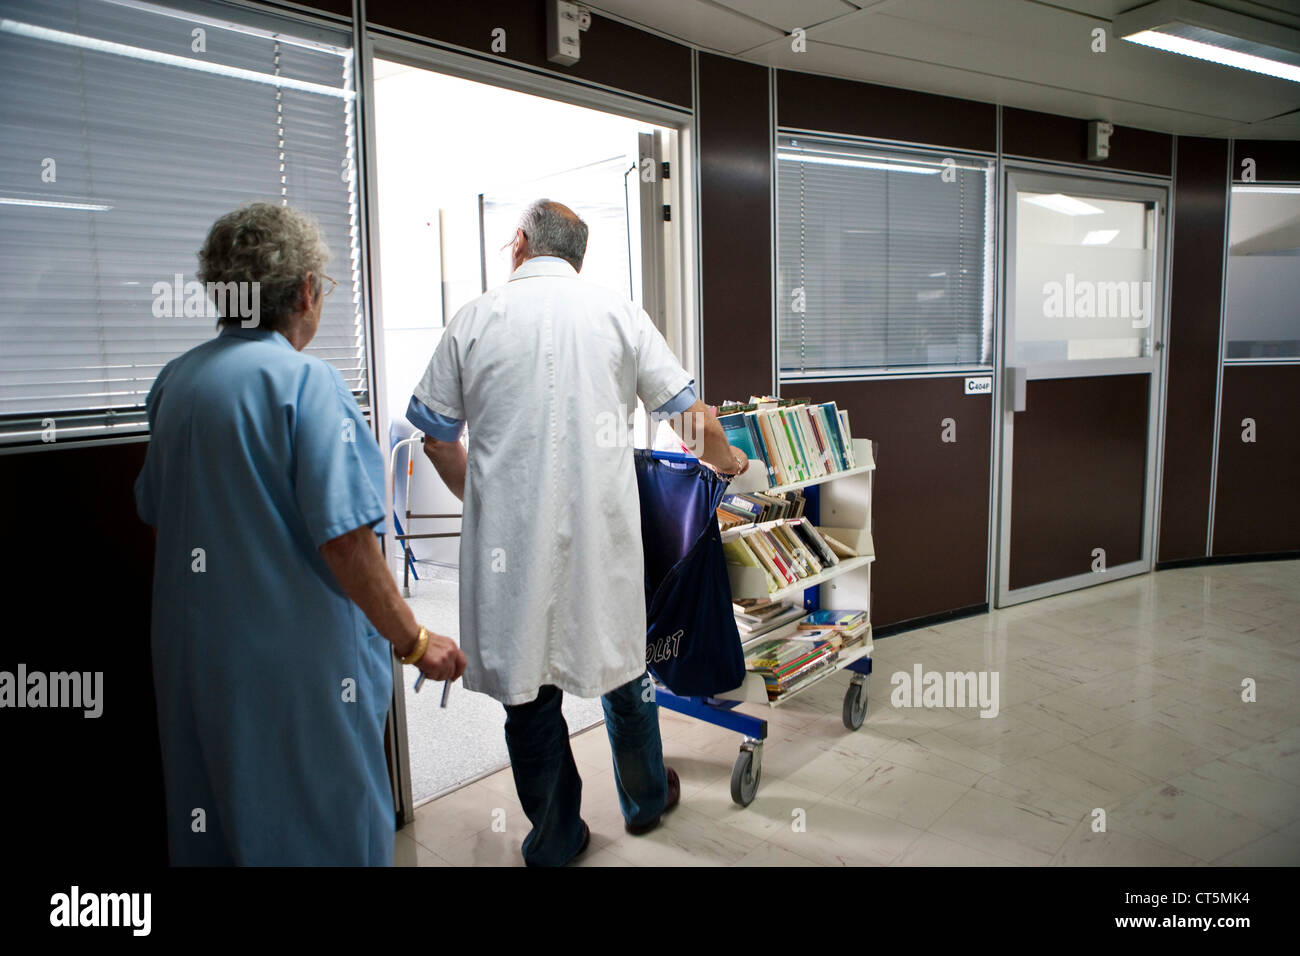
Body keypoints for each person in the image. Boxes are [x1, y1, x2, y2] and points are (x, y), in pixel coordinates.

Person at [407, 199, 748, 866]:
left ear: (518, 245)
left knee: (528, 696)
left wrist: (485, 504)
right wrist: (733, 465)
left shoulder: (473, 319)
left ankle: (557, 835)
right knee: (626, 671)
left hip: (509, 552)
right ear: (578, 256)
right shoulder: (618, 313)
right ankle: (648, 801)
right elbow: (690, 421)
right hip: (604, 542)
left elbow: (438, 439)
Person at [135, 201, 466, 866]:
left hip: (197, 662)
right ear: (306, 291)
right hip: (295, 673)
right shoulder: (304, 381)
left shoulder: (176, 383)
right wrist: (416, 640)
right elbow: (347, 542)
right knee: (320, 826)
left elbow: (156, 508)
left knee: (220, 824)